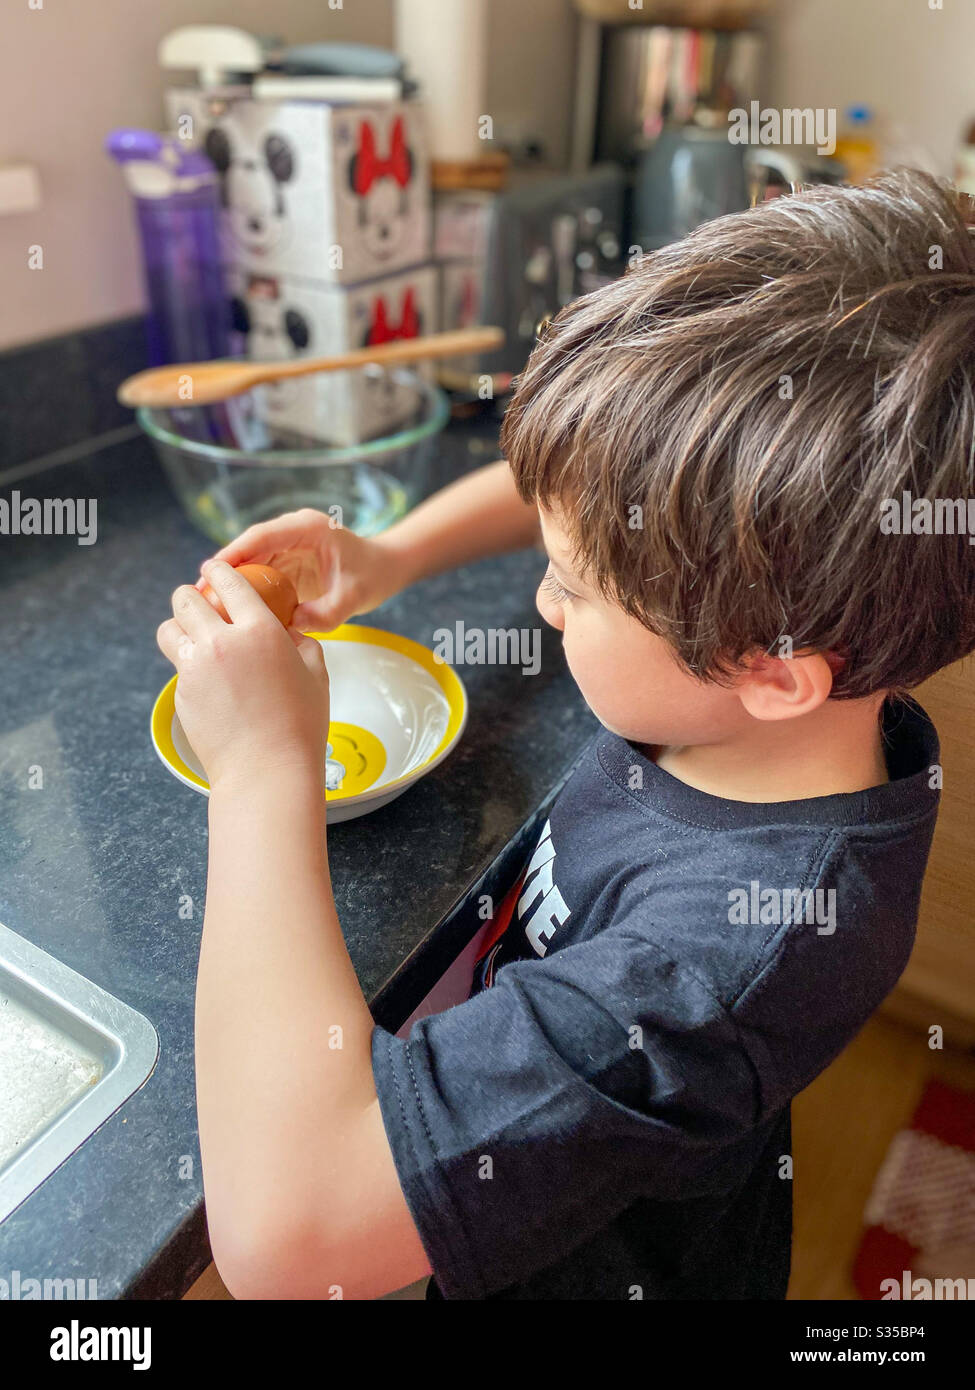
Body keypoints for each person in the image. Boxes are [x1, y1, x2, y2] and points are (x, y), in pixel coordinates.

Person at [156, 169, 975, 1300]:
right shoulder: (777, 691)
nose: (546, 602)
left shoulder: (722, 967)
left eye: (573, 590)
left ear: (770, 672)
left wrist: (259, 769)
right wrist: (392, 555)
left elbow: (288, 1239)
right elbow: (617, 501)